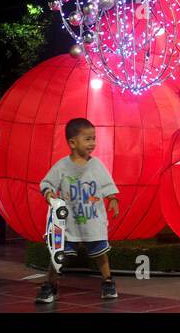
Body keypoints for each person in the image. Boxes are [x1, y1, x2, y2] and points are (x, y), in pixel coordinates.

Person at [35, 118, 120, 303]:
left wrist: (112, 199)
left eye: (94, 139)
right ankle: (51, 285)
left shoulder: (96, 165)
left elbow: (107, 185)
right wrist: (49, 194)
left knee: (100, 253)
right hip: (69, 223)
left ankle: (107, 281)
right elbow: (46, 183)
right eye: (88, 139)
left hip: (93, 220)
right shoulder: (62, 166)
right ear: (72, 143)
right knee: (58, 254)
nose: (93, 143)